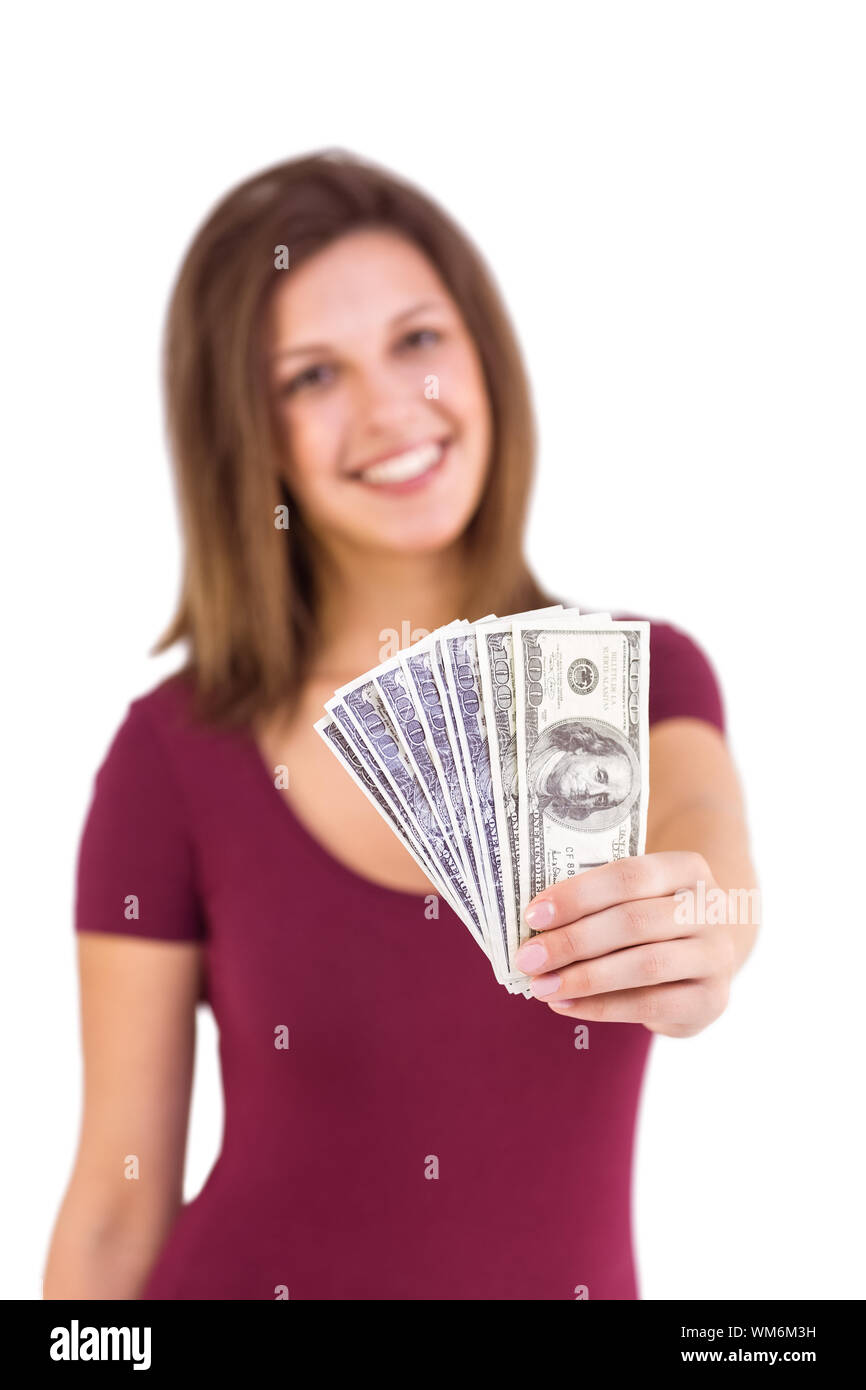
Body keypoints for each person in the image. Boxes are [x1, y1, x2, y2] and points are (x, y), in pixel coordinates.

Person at [43, 149, 759, 1301]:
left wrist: (701, 929)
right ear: (249, 433)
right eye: (312, 375)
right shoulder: (175, 754)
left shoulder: (644, 679)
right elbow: (117, 1206)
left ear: (481, 352)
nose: (389, 408)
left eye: (417, 339)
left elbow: (708, 850)